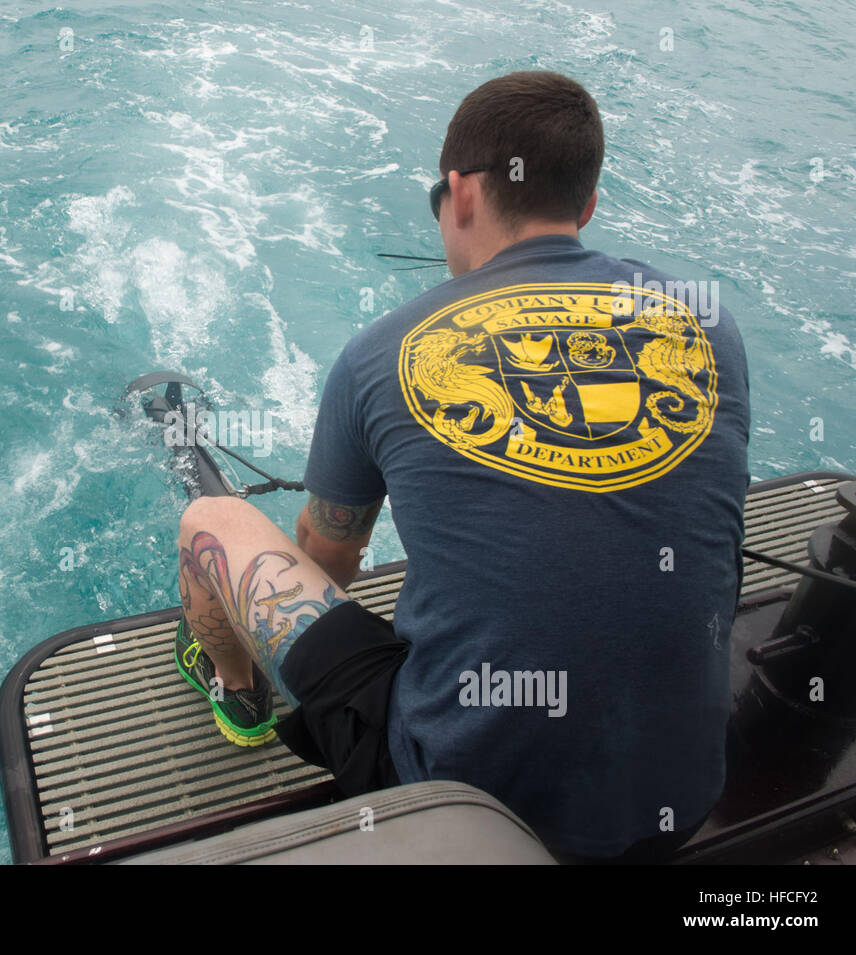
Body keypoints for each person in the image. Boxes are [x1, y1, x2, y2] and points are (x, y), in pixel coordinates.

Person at [173, 71, 750, 863]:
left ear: (461, 194)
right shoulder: (706, 324)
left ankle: (234, 688)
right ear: (585, 206)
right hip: (681, 796)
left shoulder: (380, 352)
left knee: (211, 522)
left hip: (466, 812)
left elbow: (329, 562)